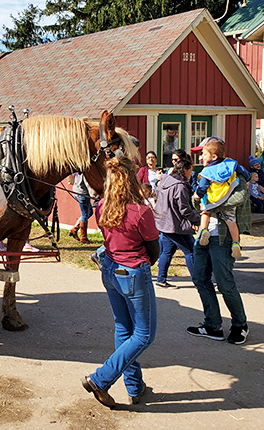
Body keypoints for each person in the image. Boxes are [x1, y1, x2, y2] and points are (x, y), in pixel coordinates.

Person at [81, 156, 158, 408]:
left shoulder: (102, 206)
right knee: (144, 335)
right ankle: (101, 379)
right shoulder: (140, 211)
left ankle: (135, 387)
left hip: (111, 269)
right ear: (132, 178)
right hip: (133, 272)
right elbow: (154, 249)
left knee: (124, 329)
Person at [187, 175, 250, 346]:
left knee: (224, 284)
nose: (201, 159)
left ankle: (240, 324)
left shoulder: (235, 176)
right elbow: (196, 204)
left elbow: (238, 199)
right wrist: (199, 197)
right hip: (203, 236)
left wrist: (212, 204)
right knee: (200, 279)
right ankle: (213, 326)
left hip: (222, 239)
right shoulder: (204, 177)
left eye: (204, 155)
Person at [193, 138, 250, 258]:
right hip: (228, 196)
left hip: (212, 200)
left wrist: (198, 195)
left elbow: (202, 187)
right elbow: (244, 172)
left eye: (203, 154)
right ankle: (236, 242)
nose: (201, 157)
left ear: (213, 157)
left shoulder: (207, 171)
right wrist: (247, 179)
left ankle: (204, 230)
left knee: (205, 212)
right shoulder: (231, 163)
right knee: (231, 221)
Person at [154, 158, 200, 289]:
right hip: (176, 225)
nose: (191, 173)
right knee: (190, 251)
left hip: (164, 223)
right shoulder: (180, 186)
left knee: (167, 252)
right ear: (184, 170)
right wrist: (195, 220)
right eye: (190, 170)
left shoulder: (164, 181)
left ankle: (160, 280)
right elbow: (184, 208)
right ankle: (199, 282)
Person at [67, 172, 93, 243]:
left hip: (76, 191)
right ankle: (83, 238)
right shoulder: (85, 171)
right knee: (85, 214)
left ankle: (74, 230)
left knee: (90, 212)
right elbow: (88, 183)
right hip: (82, 193)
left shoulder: (78, 169)